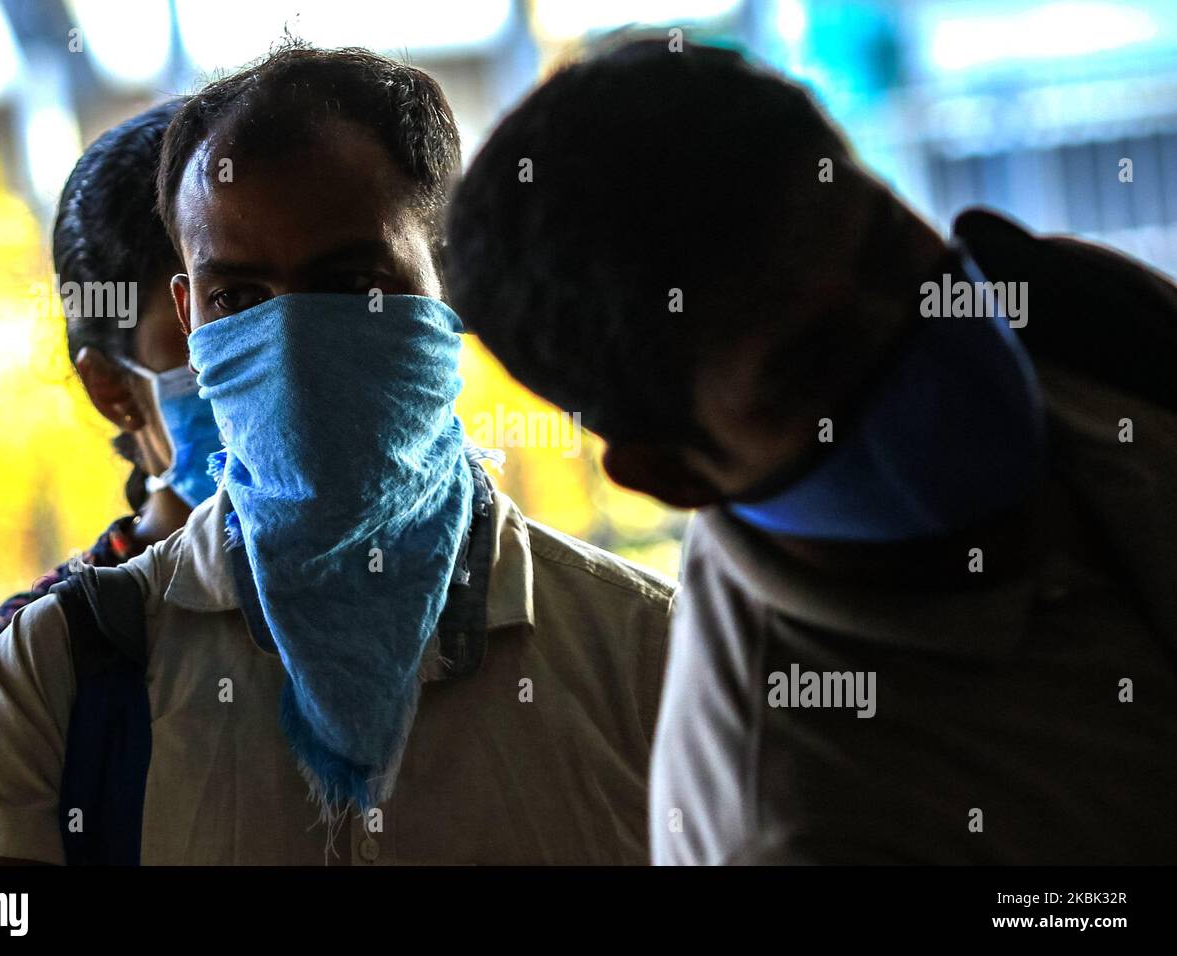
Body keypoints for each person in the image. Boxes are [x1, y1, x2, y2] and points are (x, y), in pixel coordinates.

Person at [0, 44, 676, 866]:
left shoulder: (649, 656)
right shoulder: (55, 675)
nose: (295, 345)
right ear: (191, 312)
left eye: (350, 285)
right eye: (238, 298)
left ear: (450, 273)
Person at [442, 38, 1177, 863]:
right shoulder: (811, 822)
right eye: (812, 364)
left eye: (891, 248)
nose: (913, 329)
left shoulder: (1074, 314)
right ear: (676, 472)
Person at [0, 100, 221, 787]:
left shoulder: (455, 589)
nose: (276, 350)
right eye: (218, 312)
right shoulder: (46, 658)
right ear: (112, 388)